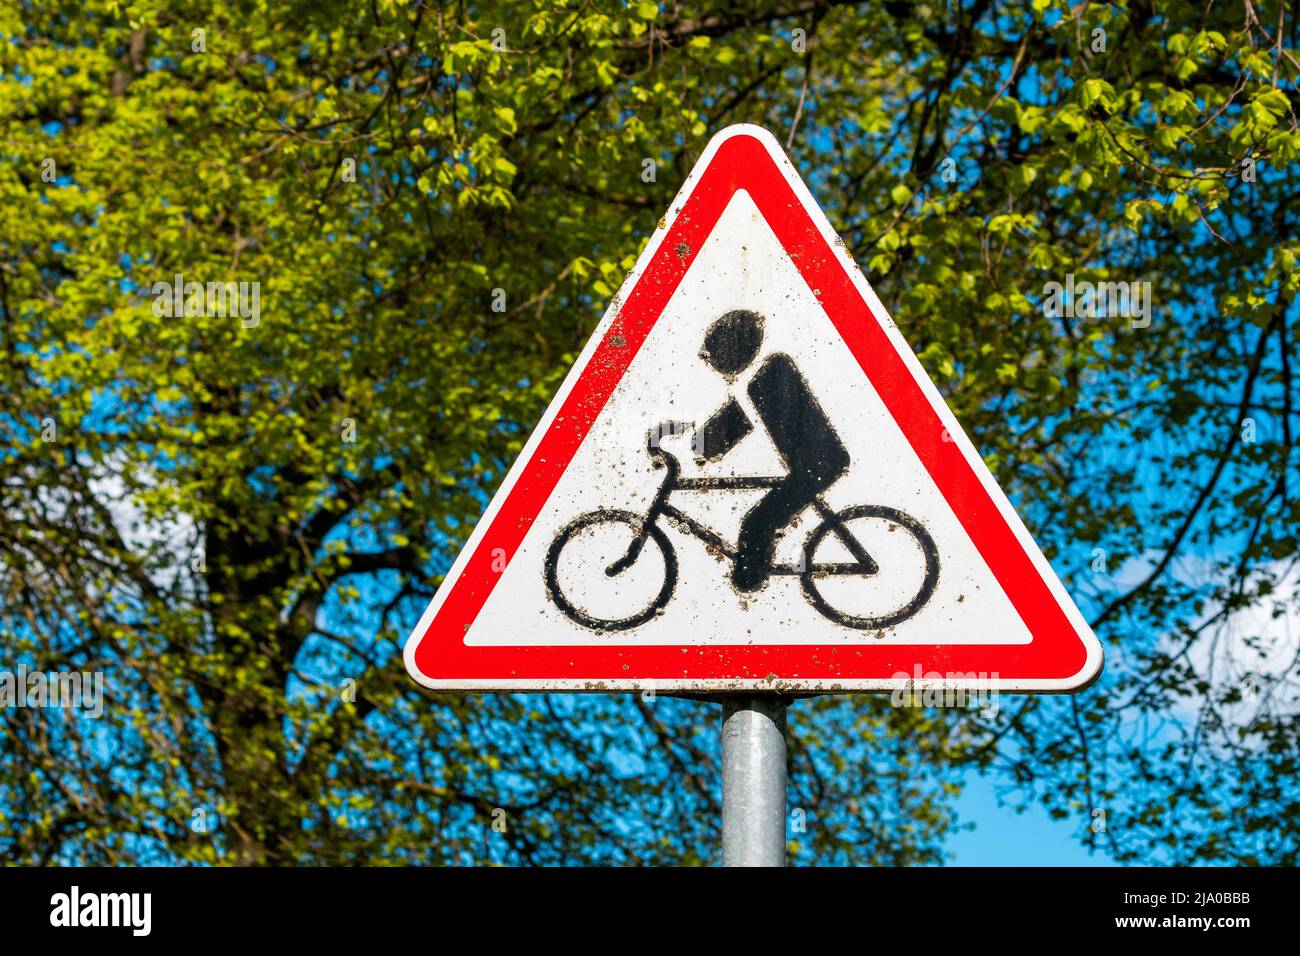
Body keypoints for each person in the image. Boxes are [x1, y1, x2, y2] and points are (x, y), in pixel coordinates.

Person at [694, 309, 849, 592]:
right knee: (763, 516)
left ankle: (748, 584)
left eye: (716, 349)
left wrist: (701, 446)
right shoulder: (763, 374)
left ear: (734, 348)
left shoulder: (770, 372)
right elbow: (735, 421)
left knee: (757, 522)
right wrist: (700, 444)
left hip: (819, 464)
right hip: (812, 463)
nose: (709, 358)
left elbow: (735, 421)